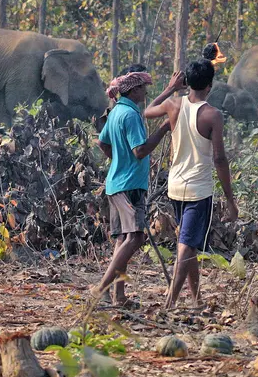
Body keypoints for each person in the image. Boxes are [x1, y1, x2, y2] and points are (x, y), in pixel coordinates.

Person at [145, 47, 239, 309]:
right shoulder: (212, 115)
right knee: (186, 245)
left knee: (190, 244)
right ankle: (170, 302)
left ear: (187, 82)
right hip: (199, 190)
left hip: (175, 186)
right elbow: (220, 159)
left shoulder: (173, 104)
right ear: (209, 86)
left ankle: (196, 300)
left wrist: (169, 88)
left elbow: (148, 111)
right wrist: (230, 200)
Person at [94, 65, 171, 307]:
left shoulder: (117, 111)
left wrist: (118, 159)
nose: (146, 93)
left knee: (123, 240)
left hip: (116, 184)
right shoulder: (130, 115)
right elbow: (140, 151)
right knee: (136, 237)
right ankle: (101, 289)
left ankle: (119, 296)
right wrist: (164, 129)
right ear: (134, 90)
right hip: (129, 185)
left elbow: (102, 142)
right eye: (143, 89)